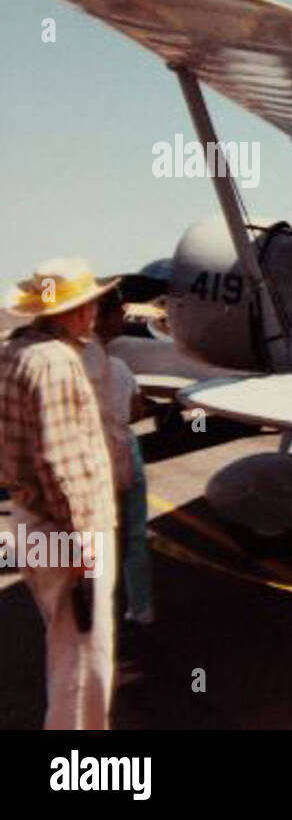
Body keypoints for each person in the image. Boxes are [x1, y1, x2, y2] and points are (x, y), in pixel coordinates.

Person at [0, 257, 119, 729]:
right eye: (85, 306)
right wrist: (82, 550)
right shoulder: (55, 361)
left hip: (31, 519)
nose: (92, 315)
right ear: (64, 313)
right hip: (70, 529)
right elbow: (58, 461)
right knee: (85, 658)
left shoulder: (15, 351)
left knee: (63, 641)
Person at [82, 288, 154, 625]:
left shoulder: (74, 362)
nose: (124, 318)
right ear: (105, 317)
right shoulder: (120, 368)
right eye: (119, 313)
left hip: (89, 457)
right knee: (134, 534)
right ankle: (140, 607)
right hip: (124, 453)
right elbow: (137, 410)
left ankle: (91, 606)